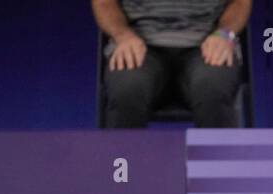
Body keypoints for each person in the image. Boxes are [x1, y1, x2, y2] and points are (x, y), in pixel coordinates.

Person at [94, 0, 251, 128]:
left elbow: (240, 2)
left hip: (208, 43)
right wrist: (123, 35)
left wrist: (224, 33)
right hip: (137, 42)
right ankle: (125, 166)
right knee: (127, 88)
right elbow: (104, 3)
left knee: (213, 86)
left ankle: (217, 167)